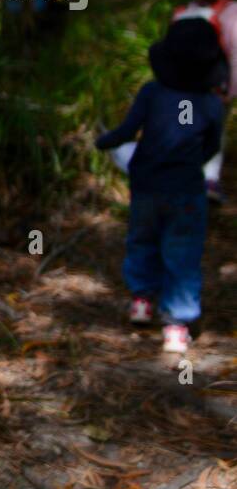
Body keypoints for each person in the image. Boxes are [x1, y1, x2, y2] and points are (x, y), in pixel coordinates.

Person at [96, 19, 225, 353]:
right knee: (182, 250)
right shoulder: (211, 105)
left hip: (146, 184)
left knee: (142, 238)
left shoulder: (152, 93)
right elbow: (212, 146)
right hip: (185, 189)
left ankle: (141, 299)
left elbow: (127, 131)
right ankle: (177, 325)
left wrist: (104, 140)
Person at [172, 0, 237, 202]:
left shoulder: (180, 15)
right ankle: (206, 179)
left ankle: (191, 178)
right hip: (213, 91)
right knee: (213, 133)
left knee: (190, 129)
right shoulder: (229, 12)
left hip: (188, 91)